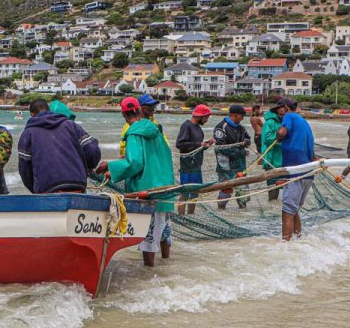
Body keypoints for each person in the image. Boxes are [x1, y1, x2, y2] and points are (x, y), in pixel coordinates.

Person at [95, 97, 175, 267]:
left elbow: (135, 163)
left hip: (147, 188)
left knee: (149, 235)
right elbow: (165, 155)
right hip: (166, 185)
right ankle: (167, 268)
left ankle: (149, 274)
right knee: (164, 230)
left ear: (124, 114)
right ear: (139, 110)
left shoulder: (133, 133)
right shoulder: (156, 129)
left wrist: (109, 165)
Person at [18, 99, 101, 194]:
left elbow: (24, 169)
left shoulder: (28, 133)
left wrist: (35, 189)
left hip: (47, 189)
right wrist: (89, 167)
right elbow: (92, 149)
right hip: (77, 184)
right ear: (49, 110)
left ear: (32, 114)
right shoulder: (70, 125)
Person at [276, 97, 316, 241]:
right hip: (308, 172)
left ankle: (285, 245)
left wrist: (278, 135)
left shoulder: (289, 116)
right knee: (293, 210)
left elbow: (281, 133)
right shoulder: (304, 121)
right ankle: (298, 240)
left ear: (286, 107)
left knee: (287, 212)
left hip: (295, 171)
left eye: (281, 111)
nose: (280, 115)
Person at [175, 104, 214, 214]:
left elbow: (197, 147)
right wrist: (199, 144)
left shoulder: (198, 128)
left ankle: (191, 216)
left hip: (196, 166)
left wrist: (206, 144)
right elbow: (180, 144)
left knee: (195, 192)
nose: (206, 120)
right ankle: (181, 217)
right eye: (206, 117)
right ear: (200, 116)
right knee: (185, 193)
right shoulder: (186, 126)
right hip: (187, 166)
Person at [213, 104, 251, 209]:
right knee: (226, 189)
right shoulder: (220, 128)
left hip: (240, 164)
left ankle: (243, 210)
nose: (243, 118)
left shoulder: (241, 128)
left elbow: (247, 139)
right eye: (242, 116)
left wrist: (247, 142)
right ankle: (221, 209)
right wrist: (239, 152)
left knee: (242, 189)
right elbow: (221, 148)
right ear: (234, 115)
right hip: (225, 165)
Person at [260, 100, 286, 201]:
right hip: (271, 159)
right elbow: (267, 138)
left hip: (283, 159)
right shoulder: (270, 122)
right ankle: (272, 203)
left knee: (283, 184)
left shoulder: (286, 122)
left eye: (284, 111)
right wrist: (281, 136)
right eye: (280, 112)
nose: (282, 113)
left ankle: (277, 207)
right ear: (276, 111)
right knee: (272, 186)